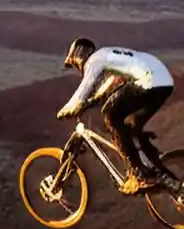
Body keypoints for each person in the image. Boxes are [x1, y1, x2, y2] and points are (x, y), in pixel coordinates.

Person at [55, 37, 175, 195]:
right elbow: (110, 84)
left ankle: (137, 174)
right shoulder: (109, 55)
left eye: (74, 64)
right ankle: (154, 163)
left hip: (148, 80)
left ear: (79, 55)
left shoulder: (94, 60)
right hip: (164, 81)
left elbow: (84, 88)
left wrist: (68, 108)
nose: (78, 69)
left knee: (110, 115)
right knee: (132, 123)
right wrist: (92, 101)